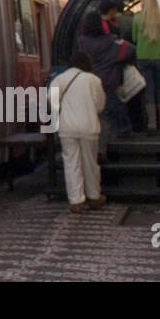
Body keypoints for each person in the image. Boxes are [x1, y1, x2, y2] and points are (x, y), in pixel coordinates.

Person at [52, 49, 107, 212]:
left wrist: (63, 108)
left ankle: (76, 201)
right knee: (90, 163)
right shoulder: (94, 80)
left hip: (67, 128)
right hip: (89, 127)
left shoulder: (60, 79)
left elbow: (51, 100)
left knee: (71, 163)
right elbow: (100, 104)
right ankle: (94, 196)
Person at [76, 10, 136, 146]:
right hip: (110, 80)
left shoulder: (81, 42)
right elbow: (131, 49)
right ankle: (122, 131)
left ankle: (101, 141)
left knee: (96, 112)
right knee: (115, 106)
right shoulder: (112, 40)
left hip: (88, 81)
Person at [133, 0, 160, 134]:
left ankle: (151, 124)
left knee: (149, 90)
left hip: (143, 56)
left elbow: (134, 38)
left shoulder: (137, 18)